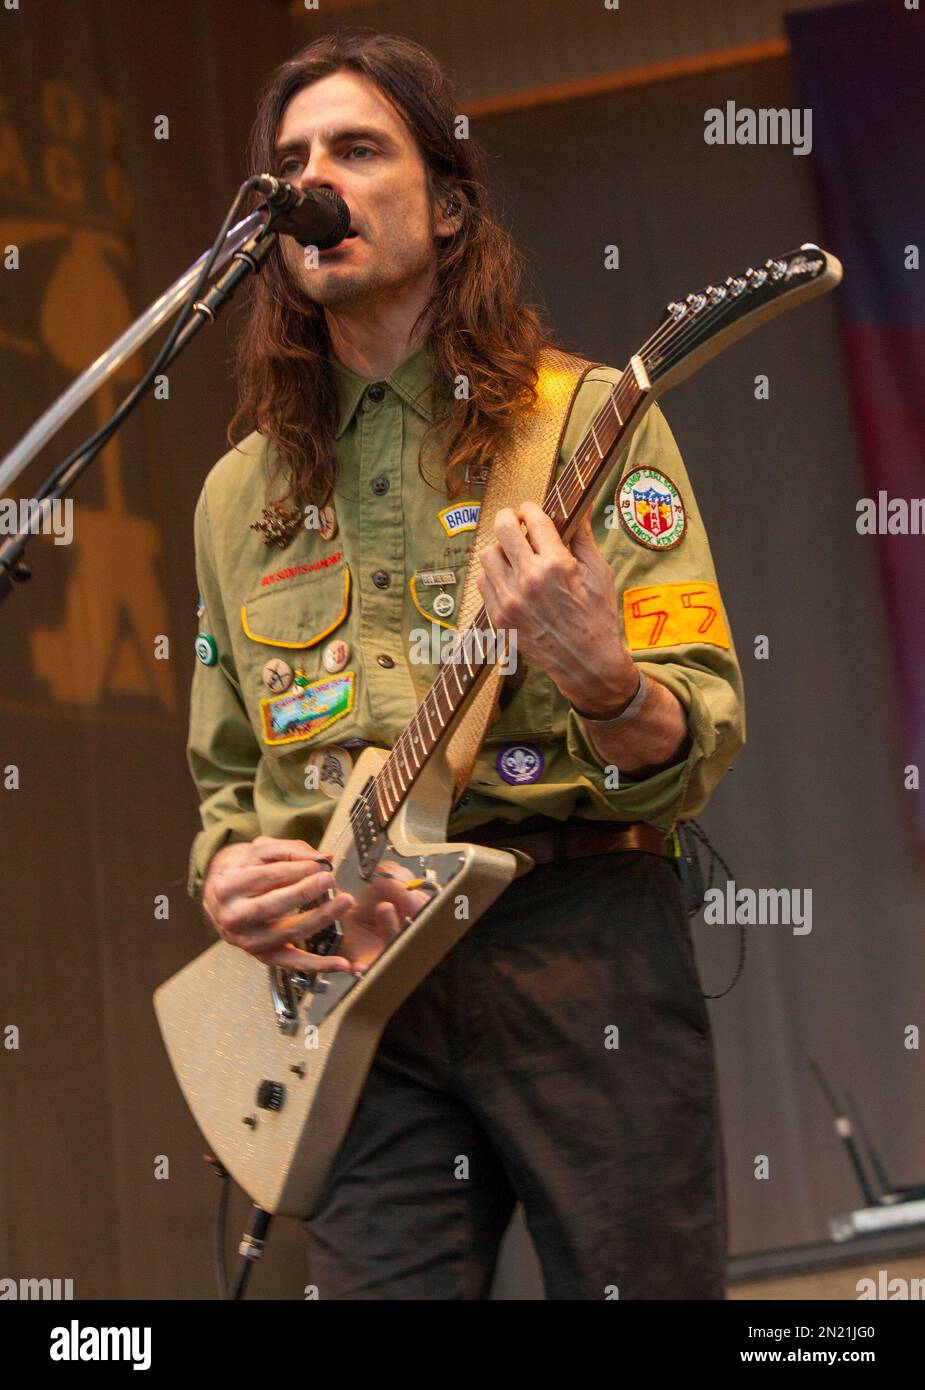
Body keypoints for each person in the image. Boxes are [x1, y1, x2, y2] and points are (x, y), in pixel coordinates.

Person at [186, 31, 745, 1300]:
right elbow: (227, 774)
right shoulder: (241, 497)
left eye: (356, 148)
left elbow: (697, 726)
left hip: (574, 934)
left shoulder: (587, 420)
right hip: (357, 986)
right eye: (291, 161)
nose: (313, 179)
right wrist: (229, 874)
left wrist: (606, 682)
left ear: (446, 205)